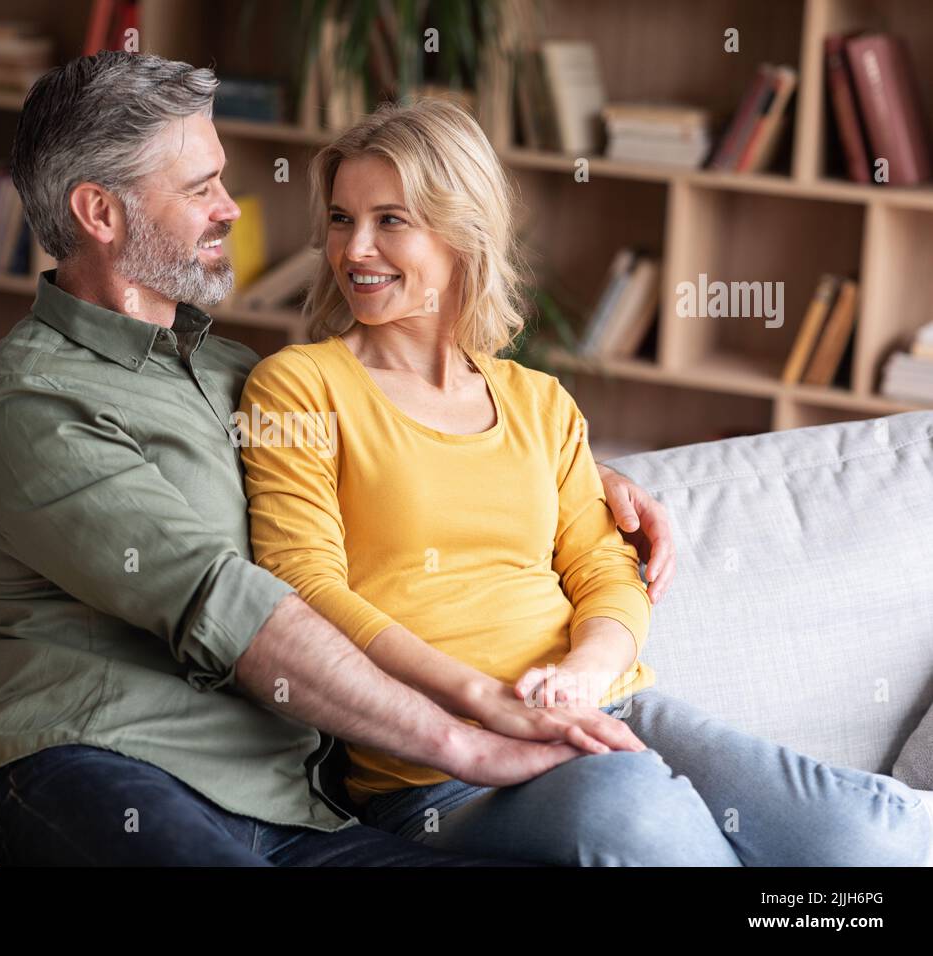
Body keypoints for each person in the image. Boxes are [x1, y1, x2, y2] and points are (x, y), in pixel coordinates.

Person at [0, 51, 673, 866]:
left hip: (296, 805)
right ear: (101, 213)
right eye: (200, 187)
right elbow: (225, 604)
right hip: (105, 770)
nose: (231, 208)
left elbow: (391, 460)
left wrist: (583, 478)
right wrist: (464, 741)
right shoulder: (28, 402)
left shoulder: (240, 376)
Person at [236, 96, 933, 866]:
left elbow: (605, 569)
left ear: (463, 229)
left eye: (390, 220)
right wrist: (485, 701)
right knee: (638, 816)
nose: (354, 248)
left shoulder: (538, 402)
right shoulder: (299, 386)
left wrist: (578, 677)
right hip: (442, 774)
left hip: (607, 703)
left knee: (867, 834)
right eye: (340, 219)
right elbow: (303, 585)